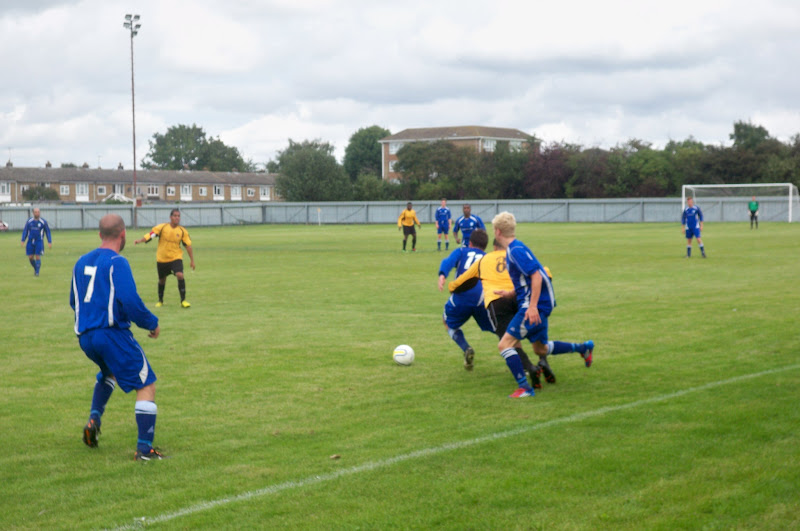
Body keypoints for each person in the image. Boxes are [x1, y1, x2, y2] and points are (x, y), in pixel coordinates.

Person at [70, 214, 166, 461]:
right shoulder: (117, 262)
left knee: (108, 373)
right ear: (122, 235)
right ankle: (144, 450)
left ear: (100, 234)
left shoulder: (80, 262)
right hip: (110, 334)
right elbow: (131, 301)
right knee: (146, 384)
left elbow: (75, 301)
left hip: (86, 338)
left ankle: (94, 419)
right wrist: (151, 323)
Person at [492, 211, 594, 398]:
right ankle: (583, 348)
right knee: (540, 349)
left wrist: (532, 307)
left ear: (497, 232)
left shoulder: (515, 251)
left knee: (504, 344)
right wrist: (510, 293)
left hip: (533, 306)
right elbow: (529, 278)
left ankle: (525, 388)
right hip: (541, 304)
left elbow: (536, 275)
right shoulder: (517, 247)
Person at [448, 238, 555, 389]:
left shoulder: (485, 259)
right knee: (535, 329)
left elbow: (461, 281)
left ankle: (530, 368)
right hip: (520, 296)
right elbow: (542, 271)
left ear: (494, 247)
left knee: (509, 338)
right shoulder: (515, 254)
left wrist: (452, 287)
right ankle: (543, 359)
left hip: (498, 301)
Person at [437, 229, 493, 370]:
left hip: (461, 298)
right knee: (501, 329)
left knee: (447, 322)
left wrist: (442, 275)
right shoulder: (488, 257)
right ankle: (521, 360)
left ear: (470, 243)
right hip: (482, 300)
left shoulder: (461, 251)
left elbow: (448, 261)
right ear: (485, 246)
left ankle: (466, 348)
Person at [134, 209, 195, 307]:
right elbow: (151, 235)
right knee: (162, 280)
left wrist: (192, 261)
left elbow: (188, 246)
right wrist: (140, 240)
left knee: (180, 275)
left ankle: (183, 301)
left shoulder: (182, 231)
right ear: (170, 217)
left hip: (176, 257)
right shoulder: (162, 227)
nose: (177, 218)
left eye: (178, 216)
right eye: (175, 216)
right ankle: (160, 301)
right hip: (162, 259)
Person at [21, 207, 52, 276]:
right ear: (33, 213)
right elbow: (25, 230)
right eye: (35, 212)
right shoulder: (29, 221)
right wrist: (23, 239)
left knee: (38, 256)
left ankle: (37, 272)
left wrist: (49, 241)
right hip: (30, 241)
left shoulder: (43, 222)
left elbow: (47, 232)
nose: (37, 213)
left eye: (38, 212)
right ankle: (36, 268)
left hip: (39, 241)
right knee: (30, 257)